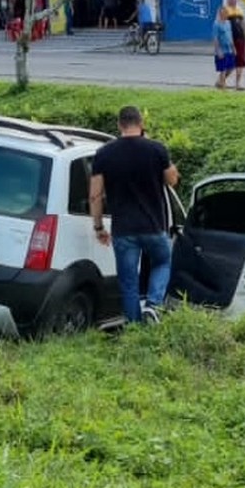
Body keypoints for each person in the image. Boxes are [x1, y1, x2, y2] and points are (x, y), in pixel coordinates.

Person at [90, 106, 181, 324]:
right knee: (163, 263)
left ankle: (134, 326)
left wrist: (99, 227)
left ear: (120, 125)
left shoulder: (104, 153)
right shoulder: (157, 149)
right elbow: (172, 180)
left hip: (123, 230)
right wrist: (156, 151)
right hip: (153, 226)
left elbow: (95, 195)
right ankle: (153, 304)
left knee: (128, 281)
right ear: (141, 124)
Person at [225, 0, 245, 90]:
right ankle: (221, 80)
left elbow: (244, 25)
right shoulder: (224, 10)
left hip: (241, 39)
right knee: (231, 63)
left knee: (240, 62)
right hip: (230, 40)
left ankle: (237, 84)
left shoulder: (240, 10)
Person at [212, 5, 235, 89]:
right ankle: (223, 86)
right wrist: (218, 51)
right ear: (219, 13)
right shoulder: (216, 24)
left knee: (231, 67)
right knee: (223, 69)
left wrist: (233, 48)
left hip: (229, 49)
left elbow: (230, 35)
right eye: (223, 13)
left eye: (226, 12)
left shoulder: (228, 23)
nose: (225, 14)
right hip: (222, 50)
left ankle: (219, 82)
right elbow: (215, 39)